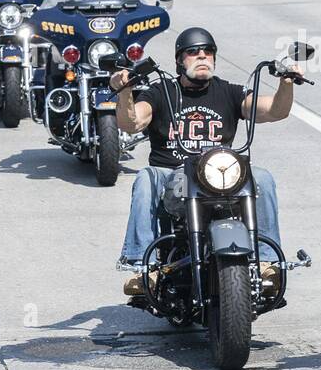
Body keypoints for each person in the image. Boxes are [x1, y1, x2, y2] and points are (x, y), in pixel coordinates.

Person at [109, 27, 298, 294]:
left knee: (263, 177)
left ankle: (267, 262)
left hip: (220, 172)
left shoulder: (229, 92)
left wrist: (286, 82)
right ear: (179, 60)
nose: (202, 56)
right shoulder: (161, 92)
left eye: (208, 52)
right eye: (193, 52)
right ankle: (143, 267)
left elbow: (275, 111)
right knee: (145, 178)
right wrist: (125, 91)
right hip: (172, 172)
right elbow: (132, 123)